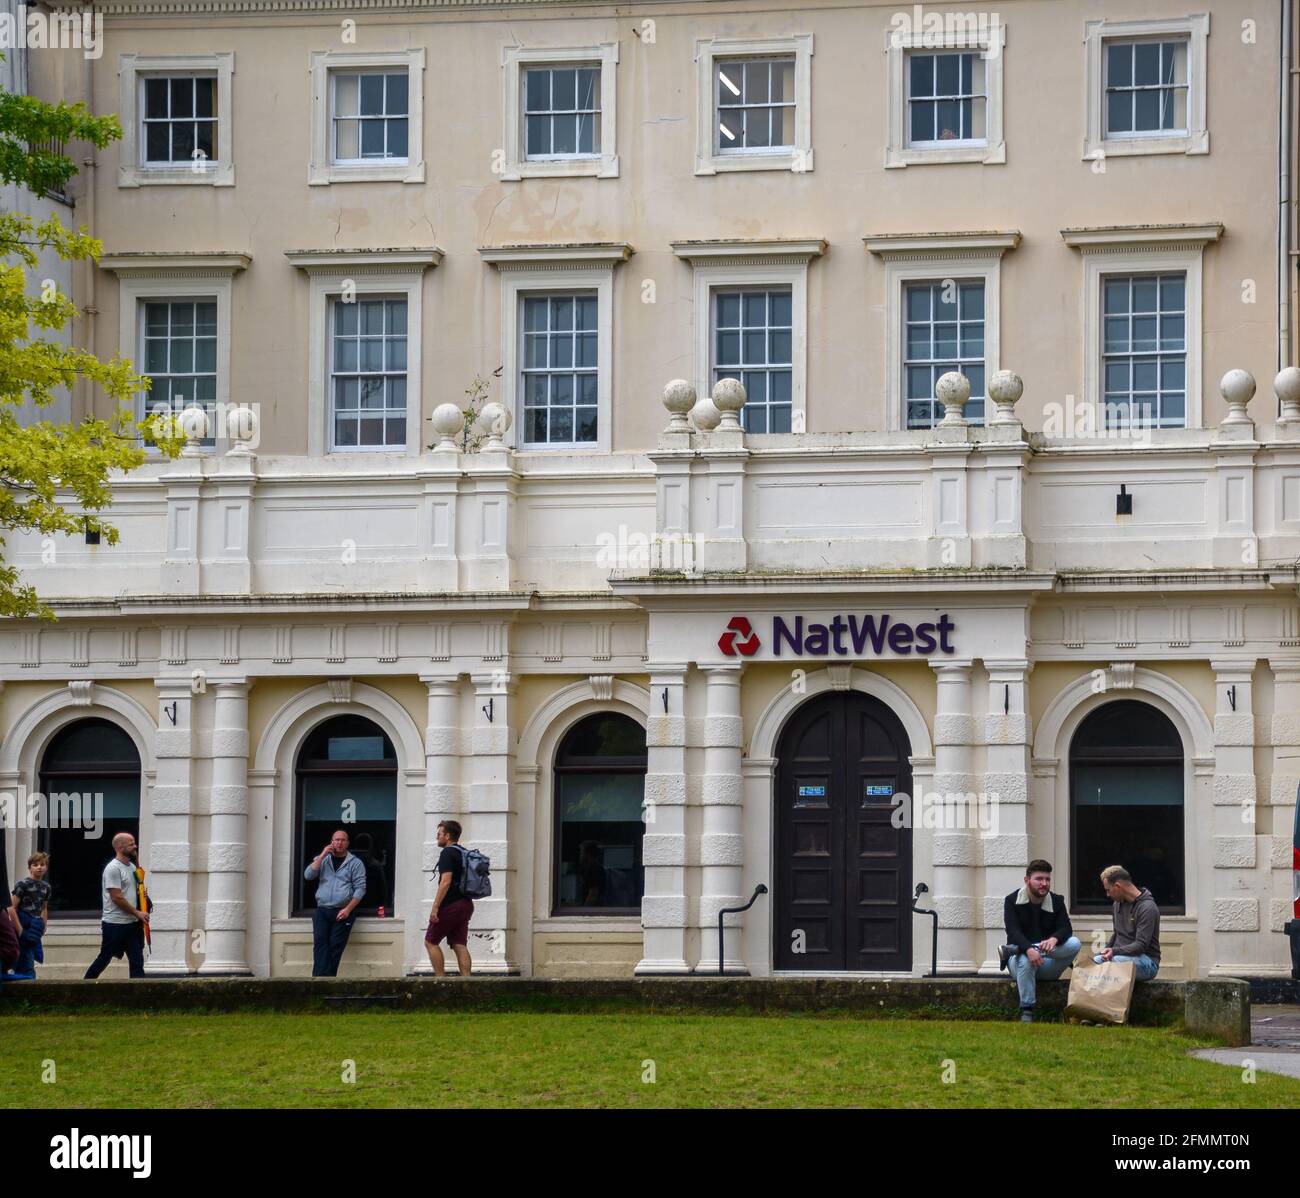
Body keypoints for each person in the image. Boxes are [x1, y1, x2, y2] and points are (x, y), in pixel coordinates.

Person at [998, 858, 1081, 1023]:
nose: (1044, 883)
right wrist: (1028, 950)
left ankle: (1014, 949)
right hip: (1021, 964)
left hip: (1047, 963)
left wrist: (1054, 939)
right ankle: (1027, 1011)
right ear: (1027, 880)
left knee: (1075, 943)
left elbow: (1066, 928)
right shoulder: (1011, 900)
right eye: (1039, 879)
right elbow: (1013, 932)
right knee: (1024, 958)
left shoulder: (1057, 901)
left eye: (1047, 879)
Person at [84, 832, 148, 979]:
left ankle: (138, 997)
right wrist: (137, 913)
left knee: (137, 961)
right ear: (120, 847)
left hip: (131, 924)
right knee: (104, 959)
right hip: (115, 924)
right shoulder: (113, 868)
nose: (135, 846)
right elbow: (116, 897)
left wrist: (136, 860)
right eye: (131, 844)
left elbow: (139, 886)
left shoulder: (131, 866)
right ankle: (84, 986)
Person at [303, 829, 366, 977]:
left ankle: (327, 982)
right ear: (332, 842)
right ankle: (319, 979)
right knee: (320, 944)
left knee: (335, 946)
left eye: (343, 840)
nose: (339, 842)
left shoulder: (355, 863)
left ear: (348, 843)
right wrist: (323, 854)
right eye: (336, 840)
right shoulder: (323, 859)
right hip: (322, 910)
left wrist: (348, 910)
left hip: (342, 911)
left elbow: (360, 889)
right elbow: (308, 875)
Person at [1093, 864, 1161, 981]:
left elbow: (1140, 946)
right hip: (1121, 957)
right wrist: (1105, 952)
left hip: (1147, 961)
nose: (1108, 895)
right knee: (1094, 962)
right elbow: (1117, 934)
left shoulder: (1147, 907)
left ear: (1118, 886)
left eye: (1108, 890)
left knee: (1112, 965)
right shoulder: (1117, 904)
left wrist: (1114, 951)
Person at [424, 820, 473, 977]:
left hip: (451, 905)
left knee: (430, 941)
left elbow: (445, 881)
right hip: (466, 904)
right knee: (459, 944)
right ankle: (468, 982)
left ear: (448, 835)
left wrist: (435, 907)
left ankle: (441, 981)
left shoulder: (447, 853)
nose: (437, 837)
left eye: (439, 834)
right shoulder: (462, 852)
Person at [5, 851, 51, 980]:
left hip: (35, 927)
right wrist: (20, 930)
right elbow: (11, 908)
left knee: (29, 957)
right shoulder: (22, 885)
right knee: (23, 959)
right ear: (29, 867)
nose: (39, 867)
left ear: (46, 867)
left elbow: (44, 908)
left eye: (42, 864)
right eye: (35, 864)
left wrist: (44, 925)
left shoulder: (46, 887)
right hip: (21, 924)